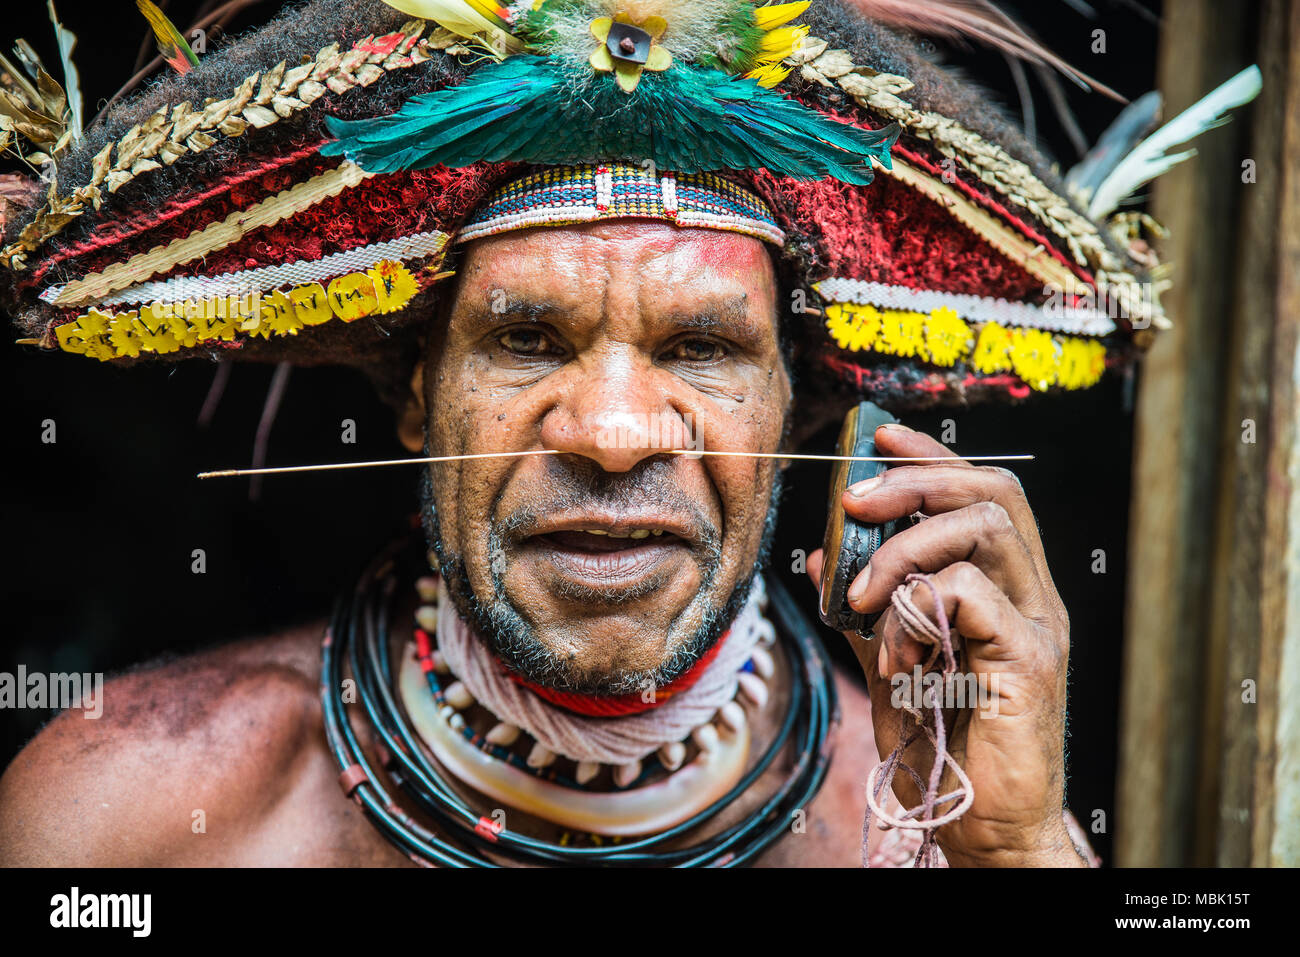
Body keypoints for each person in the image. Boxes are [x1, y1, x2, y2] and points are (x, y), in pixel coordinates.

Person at [0, 0, 1167, 866]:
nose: (612, 434)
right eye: (526, 339)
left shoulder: (922, 826)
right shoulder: (129, 817)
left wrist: (1016, 853)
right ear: (417, 392)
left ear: (799, 409)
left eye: (702, 350)